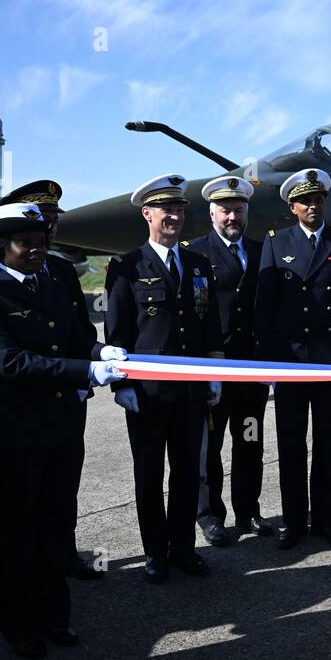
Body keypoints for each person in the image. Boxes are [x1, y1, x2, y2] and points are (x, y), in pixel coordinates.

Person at [0, 203, 127, 658]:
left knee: (55, 521)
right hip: (10, 428)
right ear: (0, 247)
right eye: (23, 242)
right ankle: (18, 626)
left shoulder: (51, 281)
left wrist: (101, 349)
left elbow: (74, 338)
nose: (36, 248)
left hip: (59, 424)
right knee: (15, 530)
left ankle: (56, 615)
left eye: (41, 240)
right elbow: (8, 362)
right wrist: (86, 371)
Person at [104, 175, 223, 583]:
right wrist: (122, 385)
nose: (174, 216)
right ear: (147, 214)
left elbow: (208, 325)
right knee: (150, 475)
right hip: (148, 394)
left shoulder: (197, 264)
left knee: (189, 472)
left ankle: (184, 549)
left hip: (191, 392)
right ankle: (155, 552)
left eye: (179, 209)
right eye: (165, 209)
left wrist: (215, 374)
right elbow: (117, 333)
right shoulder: (126, 266)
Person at [253, 167, 331, 550]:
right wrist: (266, 360)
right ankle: (294, 523)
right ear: (292, 207)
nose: (313, 206)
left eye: (318, 199)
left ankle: (326, 521)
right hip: (289, 361)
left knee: (326, 444)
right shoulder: (275, 241)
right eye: (305, 201)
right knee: (290, 444)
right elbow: (264, 305)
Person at [0, 179, 104, 580]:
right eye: (44, 219)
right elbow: (11, 356)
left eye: (54, 220)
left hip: (69, 394)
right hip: (26, 401)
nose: (52, 227)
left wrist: (93, 362)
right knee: (27, 493)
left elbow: (79, 328)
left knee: (64, 484)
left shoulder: (59, 268)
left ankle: (63, 553)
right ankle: (32, 567)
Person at [192, 175, 273, 544]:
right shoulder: (196, 253)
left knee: (249, 442)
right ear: (212, 214)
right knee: (211, 447)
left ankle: (248, 511)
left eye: (238, 210)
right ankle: (210, 516)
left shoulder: (261, 252)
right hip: (214, 367)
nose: (231, 216)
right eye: (225, 210)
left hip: (252, 369)